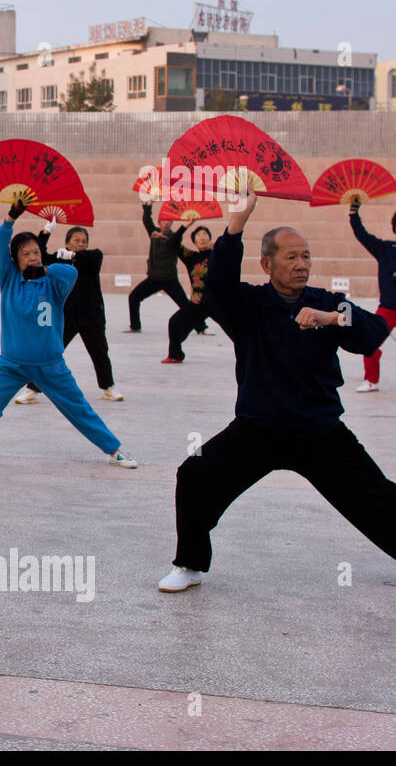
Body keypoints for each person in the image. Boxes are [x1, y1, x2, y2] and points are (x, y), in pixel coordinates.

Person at [160, 193, 395, 591]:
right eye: (291, 257)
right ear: (267, 264)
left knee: (378, 500)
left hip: (320, 431)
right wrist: (236, 223)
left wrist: (333, 319)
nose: (301, 264)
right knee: (195, 475)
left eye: (306, 256)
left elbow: (372, 331)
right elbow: (217, 283)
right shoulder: (248, 304)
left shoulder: (326, 301)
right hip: (257, 429)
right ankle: (190, 565)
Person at [0, 201, 137, 470]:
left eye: (36, 252)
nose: (32, 256)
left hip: (50, 364)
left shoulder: (53, 283)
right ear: (15, 259)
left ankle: (115, 450)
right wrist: (10, 219)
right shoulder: (10, 280)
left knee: (79, 410)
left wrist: (44, 269)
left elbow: (71, 272)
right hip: (11, 364)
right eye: (25, 253)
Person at [14, 223, 124, 404]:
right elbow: (39, 252)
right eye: (76, 240)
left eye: (84, 241)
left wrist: (72, 255)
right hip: (65, 316)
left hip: (91, 315)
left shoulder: (92, 257)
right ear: (67, 242)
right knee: (50, 352)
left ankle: (109, 387)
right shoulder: (58, 261)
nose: (80, 243)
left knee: (99, 352)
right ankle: (31, 389)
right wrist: (46, 231)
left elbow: (94, 257)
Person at [123, 202, 207, 334]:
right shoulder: (153, 233)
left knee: (185, 305)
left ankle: (202, 328)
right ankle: (135, 326)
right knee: (134, 297)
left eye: (169, 221)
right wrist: (148, 206)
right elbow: (146, 220)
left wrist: (163, 235)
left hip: (170, 279)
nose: (167, 223)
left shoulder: (174, 237)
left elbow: (173, 240)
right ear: (159, 222)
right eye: (164, 221)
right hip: (153, 278)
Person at [349, 199, 396, 392]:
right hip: (388, 307)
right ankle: (371, 380)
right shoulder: (384, 248)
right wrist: (353, 213)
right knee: (368, 340)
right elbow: (362, 235)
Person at [162, 222, 216, 363]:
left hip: (219, 303)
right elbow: (172, 244)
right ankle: (175, 355)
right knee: (174, 322)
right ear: (194, 241)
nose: (202, 237)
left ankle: (252, 358)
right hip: (198, 303)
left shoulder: (218, 255)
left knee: (236, 332)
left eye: (205, 234)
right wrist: (185, 226)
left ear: (210, 238)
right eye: (198, 235)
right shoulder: (191, 257)